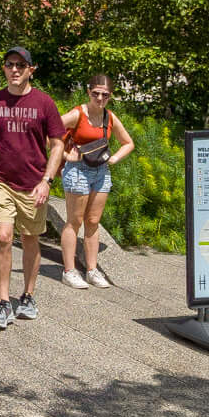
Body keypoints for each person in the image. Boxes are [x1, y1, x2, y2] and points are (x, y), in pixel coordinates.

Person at [0, 46, 66, 331]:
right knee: (2, 236)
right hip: (0, 181)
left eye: (20, 66)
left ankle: (27, 295)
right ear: (4, 69)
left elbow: (58, 144)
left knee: (30, 238)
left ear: (30, 70)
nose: (14, 70)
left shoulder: (44, 103)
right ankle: (2, 301)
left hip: (34, 184)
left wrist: (47, 181)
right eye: (10, 64)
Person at [58, 73, 135, 289]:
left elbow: (128, 142)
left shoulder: (109, 117)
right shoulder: (77, 114)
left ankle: (92, 270)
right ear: (88, 92)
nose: (100, 99)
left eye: (105, 95)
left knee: (93, 221)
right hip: (78, 170)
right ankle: (69, 270)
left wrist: (115, 158)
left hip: (101, 170)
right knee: (75, 220)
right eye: (96, 94)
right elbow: (48, 132)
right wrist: (65, 156)